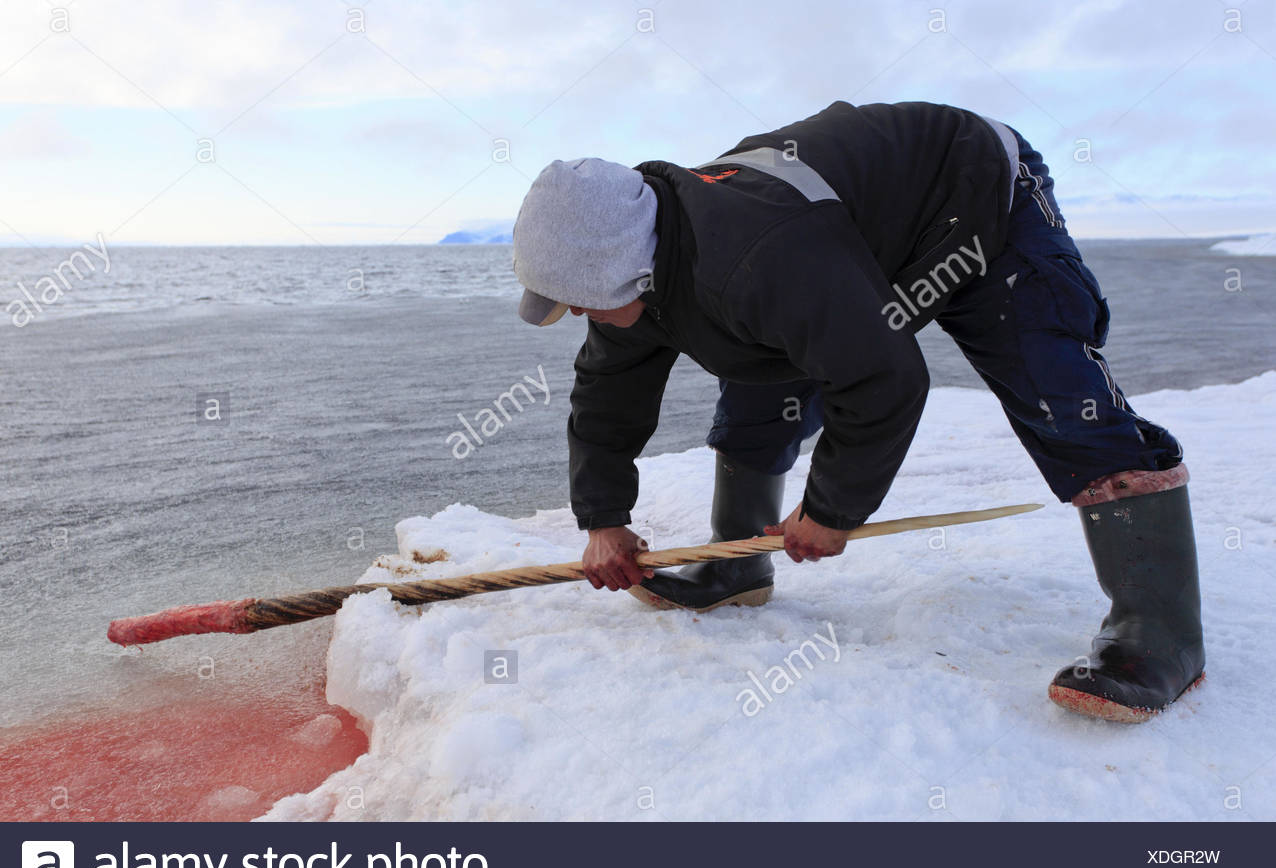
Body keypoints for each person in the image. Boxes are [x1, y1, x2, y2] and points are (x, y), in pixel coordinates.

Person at [510, 100, 1203, 723]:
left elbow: (882, 379)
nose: (578, 313)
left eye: (579, 300)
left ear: (624, 267)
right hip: (850, 246)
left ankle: (1158, 632)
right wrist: (604, 518)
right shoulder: (634, 263)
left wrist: (831, 510)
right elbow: (607, 397)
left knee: (1060, 392)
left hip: (977, 197)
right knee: (762, 382)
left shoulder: (754, 256)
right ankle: (737, 565)